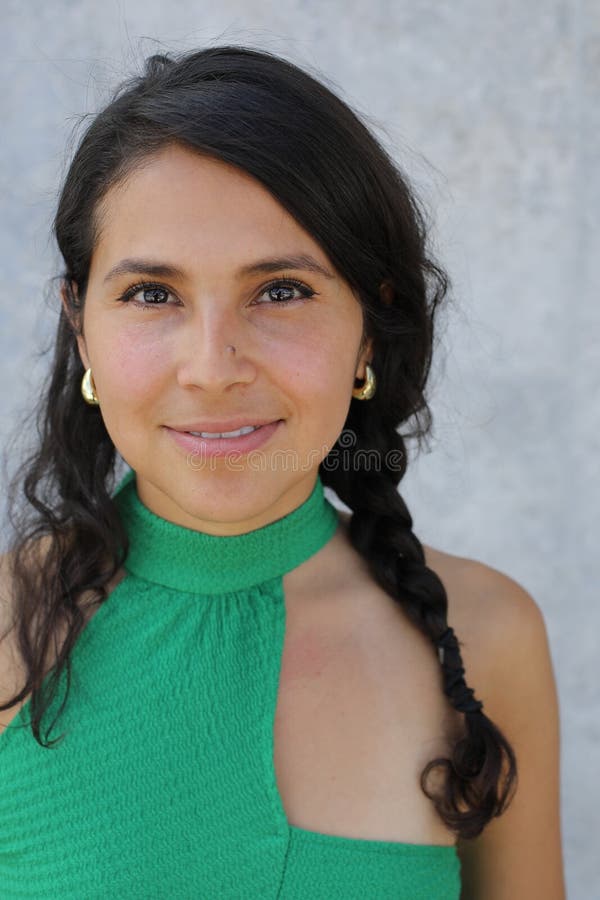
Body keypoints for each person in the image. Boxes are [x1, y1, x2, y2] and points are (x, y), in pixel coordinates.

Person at [0, 45, 564, 899]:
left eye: (281, 291)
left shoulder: (486, 639)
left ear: (369, 328)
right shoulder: (6, 631)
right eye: (153, 293)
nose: (213, 366)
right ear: (81, 328)